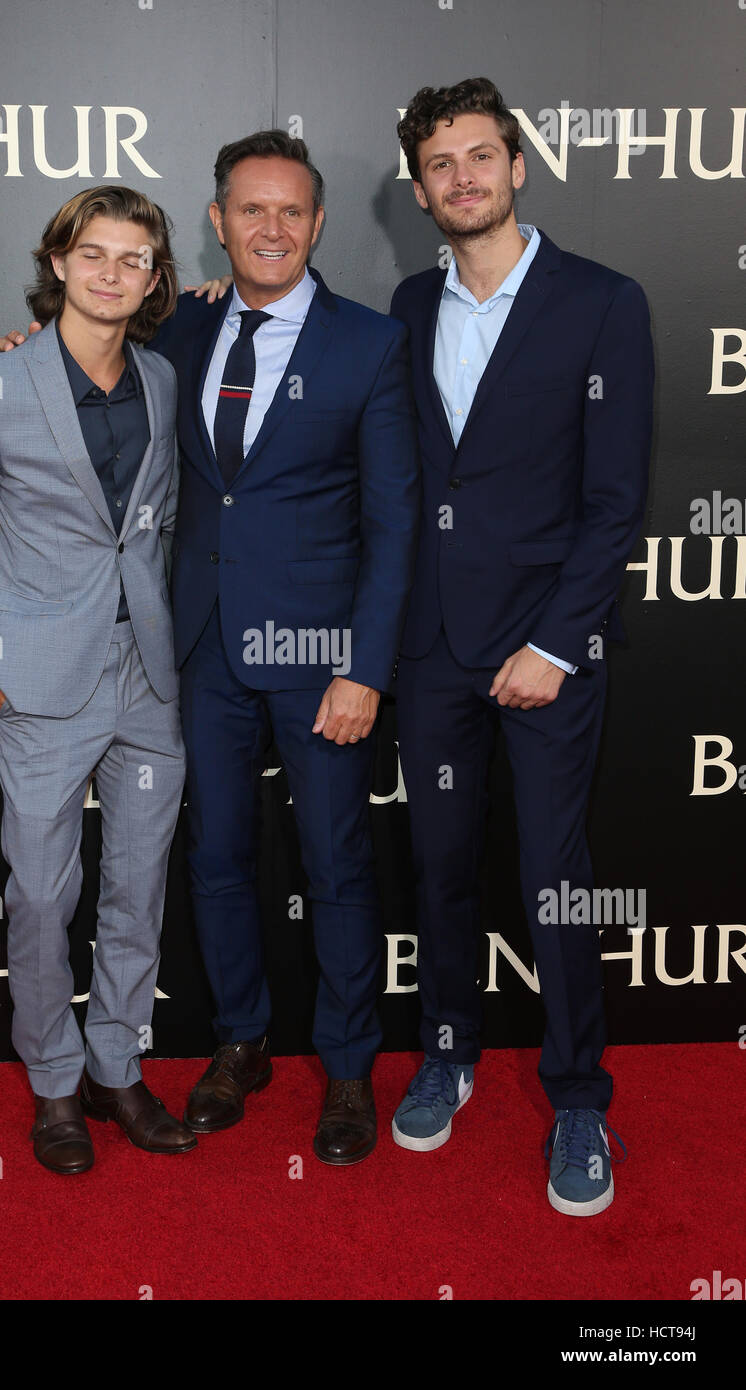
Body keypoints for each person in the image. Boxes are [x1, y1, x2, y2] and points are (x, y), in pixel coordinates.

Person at [0, 131, 419, 1165]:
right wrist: (23, 357)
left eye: (290, 211)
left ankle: (350, 1068)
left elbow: (397, 518)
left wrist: (364, 665)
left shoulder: (368, 344)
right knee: (216, 859)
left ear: (316, 226)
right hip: (191, 651)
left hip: (321, 657)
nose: (270, 227)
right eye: (248, 209)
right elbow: (81, 363)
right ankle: (239, 1042)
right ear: (218, 222)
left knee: (335, 863)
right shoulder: (174, 330)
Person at [388, 78, 654, 1215]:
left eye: (479, 156)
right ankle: (448, 1050)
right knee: (440, 867)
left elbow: (615, 499)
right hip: (430, 646)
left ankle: (579, 1098)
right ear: (418, 186)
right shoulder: (402, 305)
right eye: (440, 164)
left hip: (547, 647)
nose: (462, 177)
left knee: (553, 881)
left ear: (518, 164)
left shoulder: (600, 300)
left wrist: (557, 638)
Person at [0, 186, 196, 1174]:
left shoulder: (164, 381)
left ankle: (118, 1065)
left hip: (147, 680)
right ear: (59, 260)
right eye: (94, 253)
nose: (112, 272)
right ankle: (52, 1084)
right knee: (41, 895)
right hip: (36, 683)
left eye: (134, 258)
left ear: (156, 278)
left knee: (136, 887)